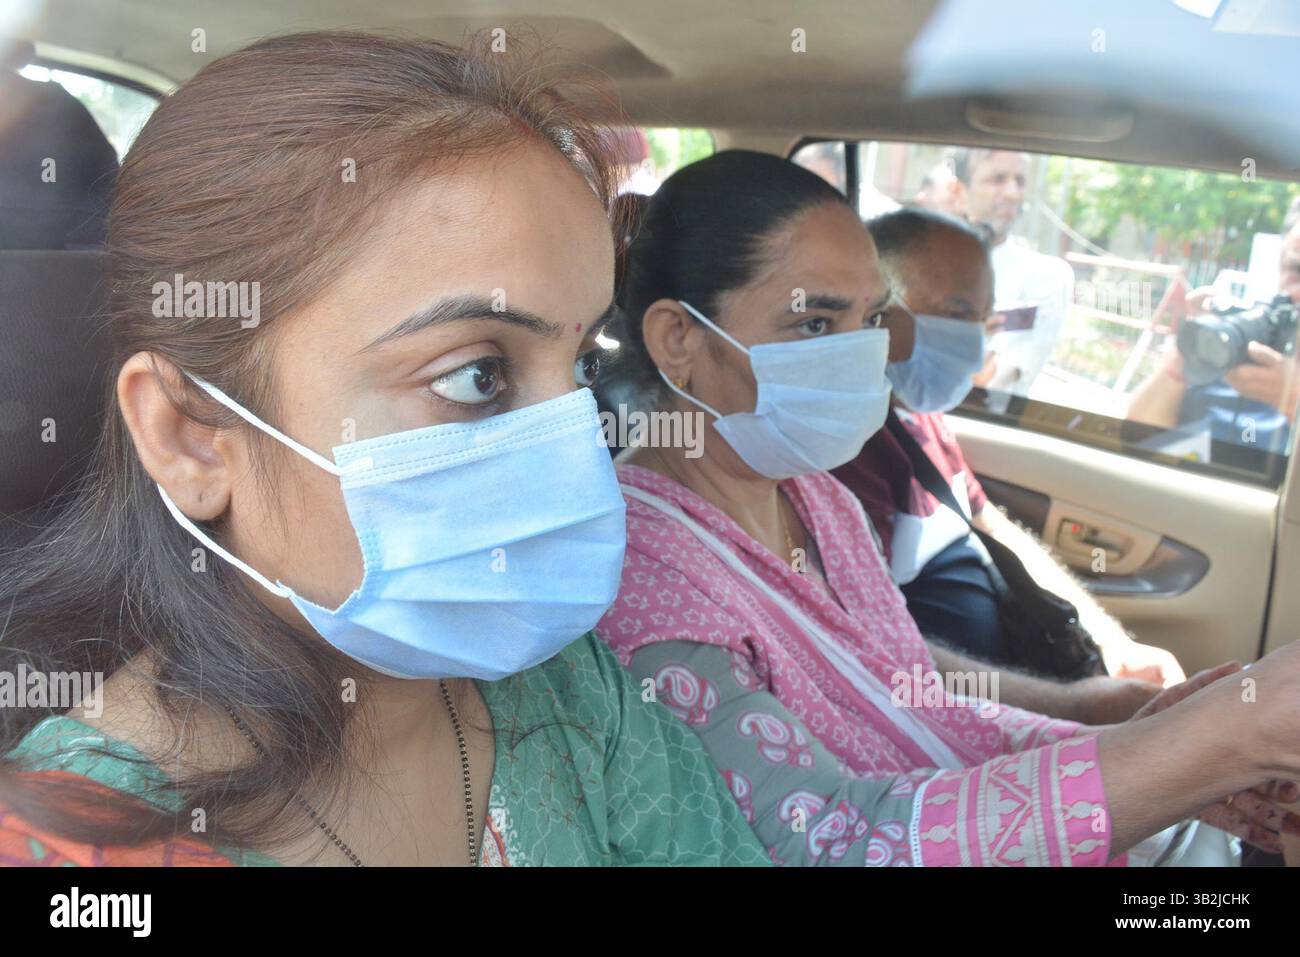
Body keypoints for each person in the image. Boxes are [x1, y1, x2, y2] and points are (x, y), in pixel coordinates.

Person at [0, 32, 769, 868]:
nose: (579, 452)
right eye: (477, 375)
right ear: (190, 437)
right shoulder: (71, 847)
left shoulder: (573, 693)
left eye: (584, 362)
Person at [597, 149, 1300, 866]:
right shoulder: (640, 574)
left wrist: (1116, 731)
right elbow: (837, 841)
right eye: (814, 324)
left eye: (871, 316)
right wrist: (1210, 742)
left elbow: (913, 693)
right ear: (677, 339)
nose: (863, 353)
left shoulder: (818, 496)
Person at [833, 208, 1184, 724]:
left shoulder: (918, 415)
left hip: (1010, 690)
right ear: (879, 310)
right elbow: (876, 651)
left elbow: (992, 523)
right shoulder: (848, 452)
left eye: (984, 319)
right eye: (958, 315)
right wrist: (1071, 708)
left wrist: (1111, 641)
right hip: (949, 721)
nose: (977, 341)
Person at [1127, 212, 1300, 455]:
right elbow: (1136, 439)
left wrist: (1293, 401)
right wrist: (1187, 351)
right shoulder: (1230, 343)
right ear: (1280, 266)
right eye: (1297, 269)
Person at [950, 148, 1074, 397]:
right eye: (997, 179)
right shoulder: (926, 265)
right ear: (960, 192)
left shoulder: (1044, 275)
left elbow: (997, 376)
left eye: (1020, 181)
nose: (1012, 193)